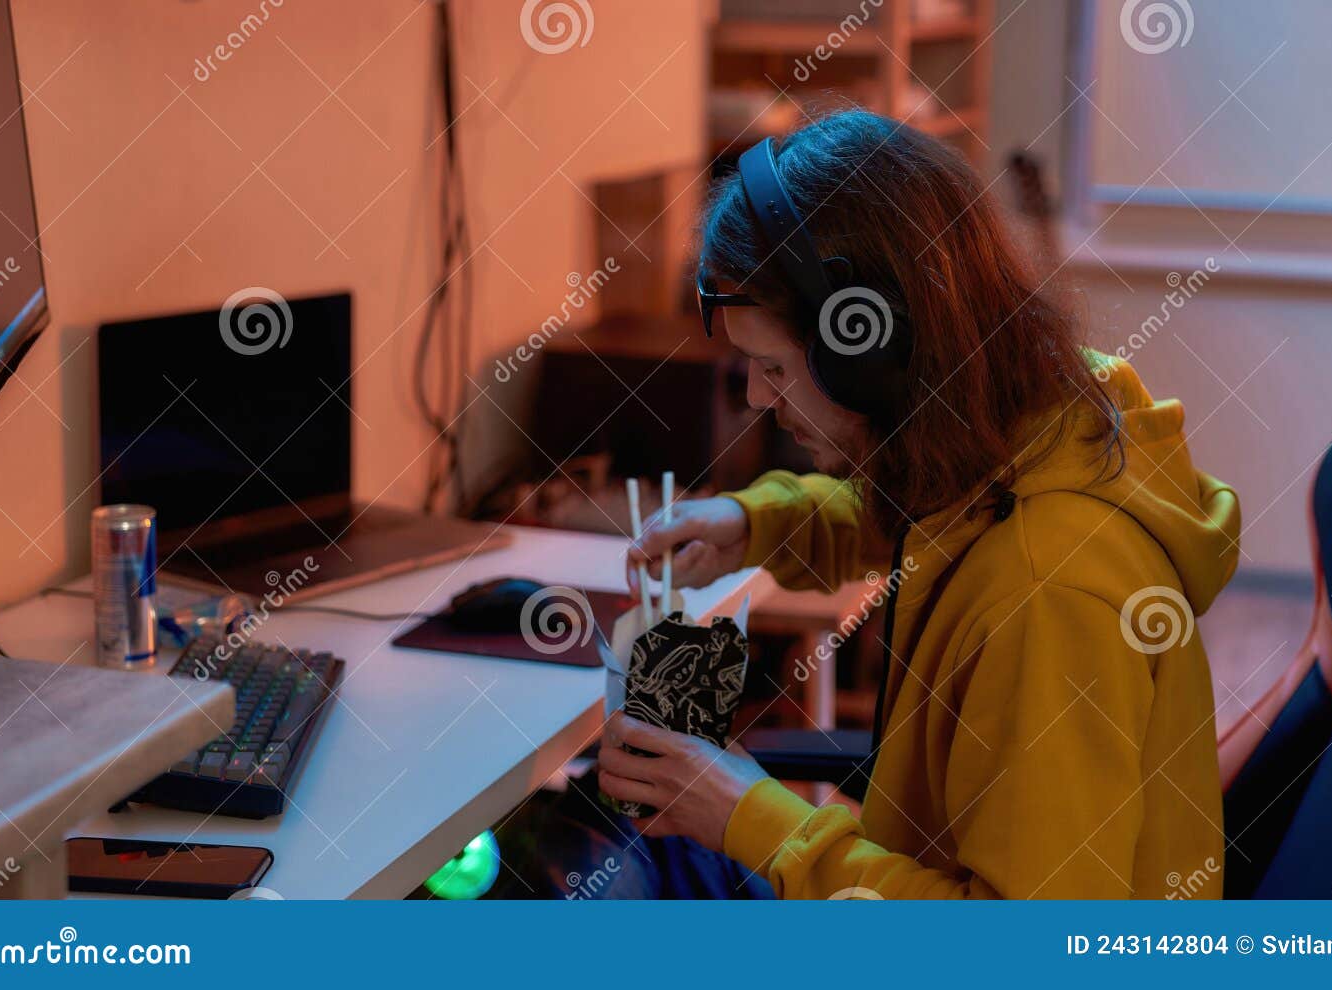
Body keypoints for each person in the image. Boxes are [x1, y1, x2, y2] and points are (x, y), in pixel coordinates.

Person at [503, 109, 1240, 900]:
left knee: (562, 875)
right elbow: (925, 513)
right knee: (585, 848)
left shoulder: (1050, 595)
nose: (755, 397)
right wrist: (759, 523)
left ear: (869, 356)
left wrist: (750, 816)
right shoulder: (1038, 423)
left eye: (775, 370)